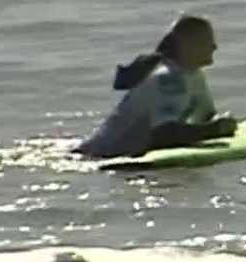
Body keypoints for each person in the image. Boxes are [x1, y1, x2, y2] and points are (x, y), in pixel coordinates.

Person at [75, 15, 237, 158]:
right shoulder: (168, 78)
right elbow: (163, 134)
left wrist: (220, 123)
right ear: (187, 45)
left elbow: (205, 117)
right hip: (102, 156)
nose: (215, 46)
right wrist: (213, 130)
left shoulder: (194, 74)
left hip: (129, 154)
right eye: (207, 40)